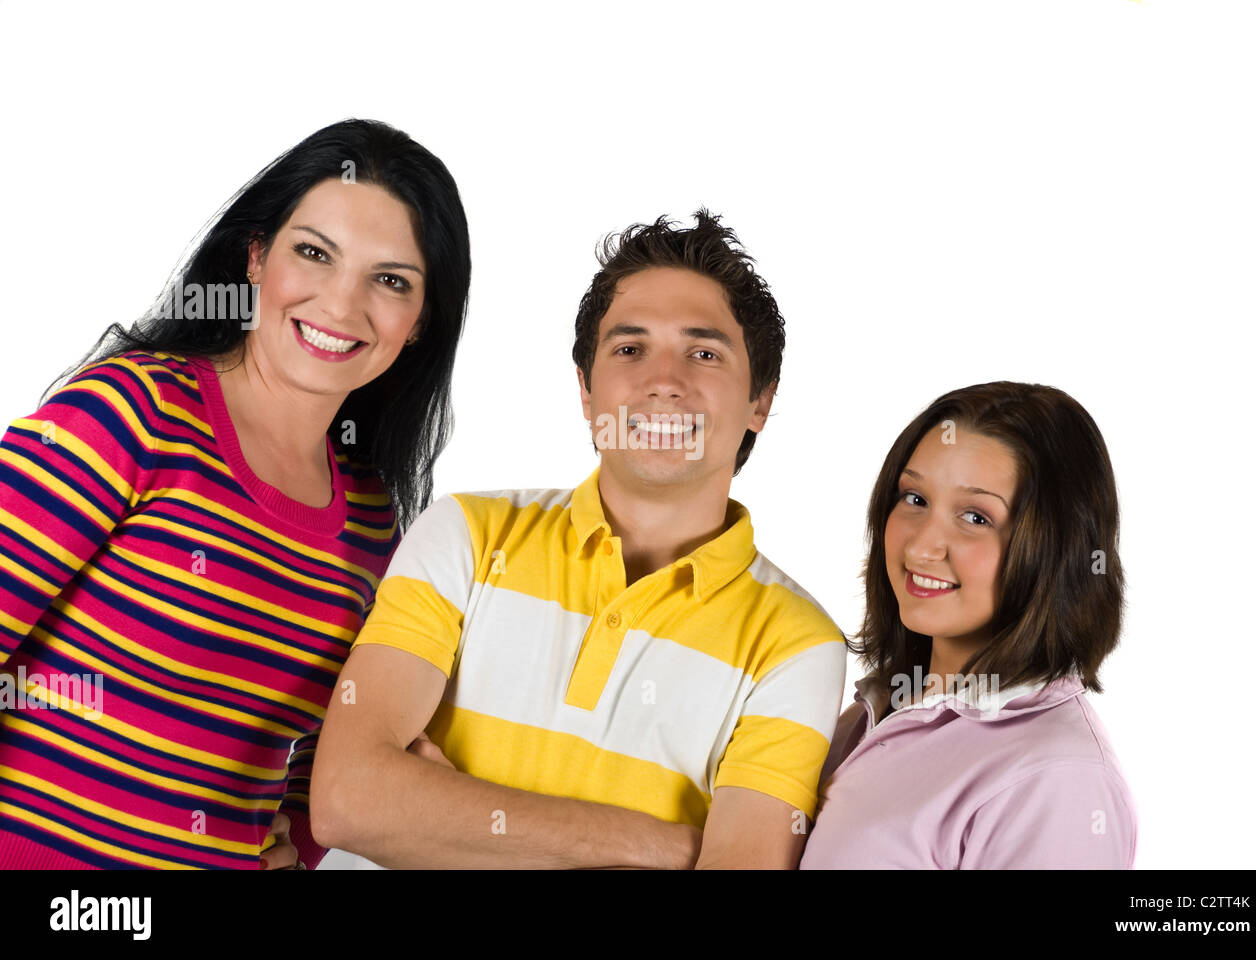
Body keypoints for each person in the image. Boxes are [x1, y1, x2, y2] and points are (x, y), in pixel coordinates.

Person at [0, 119, 471, 869]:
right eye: (314, 253)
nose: (342, 306)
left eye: (390, 280)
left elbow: (310, 788)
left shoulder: (373, 524)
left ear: (419, 324)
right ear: (255, 258)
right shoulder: (132, 415)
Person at [311, 210, 847, 869]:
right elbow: (345, 798)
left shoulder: (797, 646)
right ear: (587, 392)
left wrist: (443, 812)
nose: (664, 382)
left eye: (704, 353)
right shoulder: (469, 534)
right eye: (629, 349)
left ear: (760, 402)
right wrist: (665, 848)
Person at [801, 382, 1138, 869]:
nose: (920, 547)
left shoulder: (1060, 780)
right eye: (914, 498)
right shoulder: (872, 712)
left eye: (976, 517)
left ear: (1056, 550)